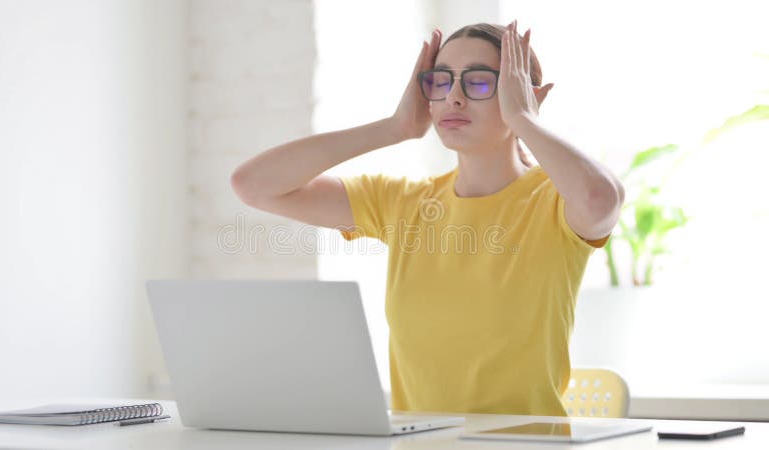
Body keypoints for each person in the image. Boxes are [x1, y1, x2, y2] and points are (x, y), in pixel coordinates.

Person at [230, 20, 625, 416]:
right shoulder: (404, 202)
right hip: (416, 442)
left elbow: (600, 200)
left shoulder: (555, 201)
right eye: (441, 81)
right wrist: (394, 127)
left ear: (523, 95)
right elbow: (254, 185)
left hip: (524, 443)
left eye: (479, 82)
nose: (454, 97)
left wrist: (524, 118)